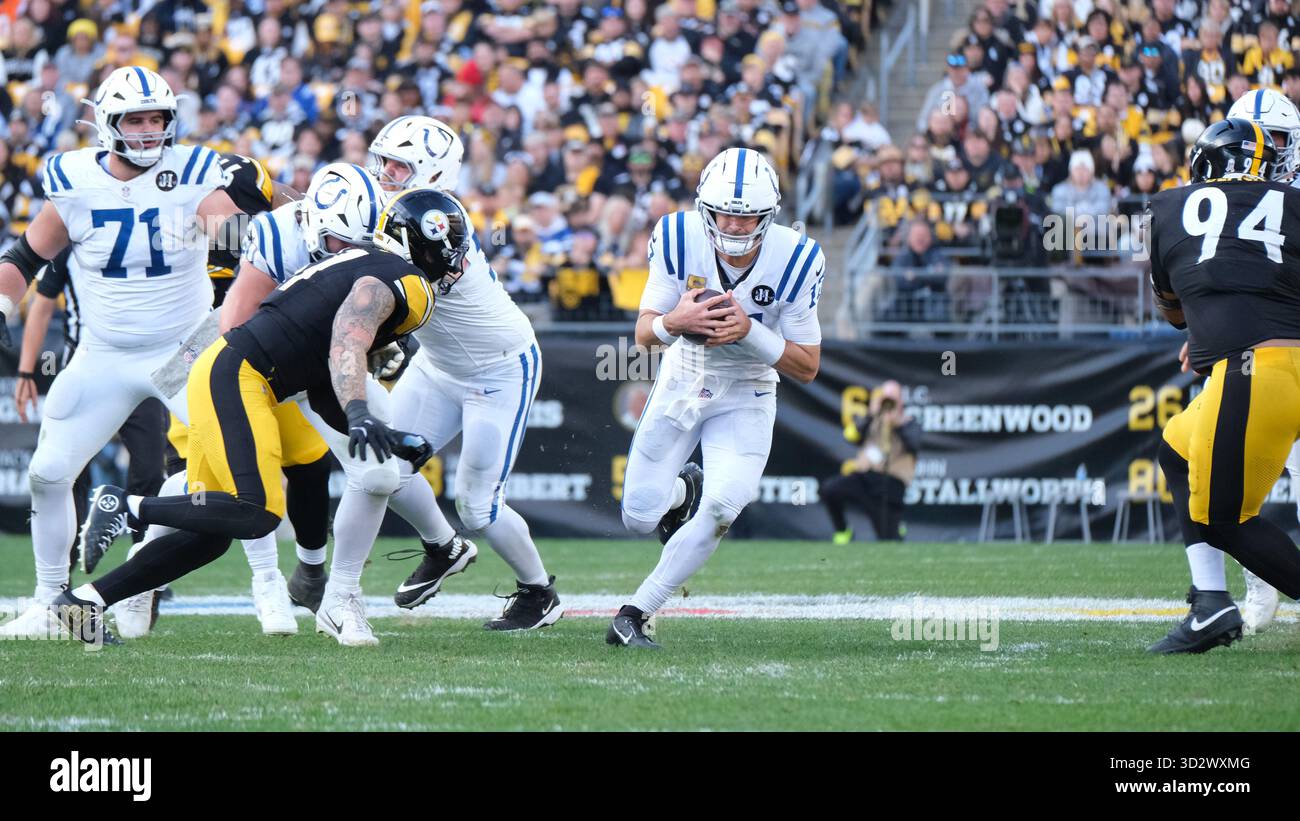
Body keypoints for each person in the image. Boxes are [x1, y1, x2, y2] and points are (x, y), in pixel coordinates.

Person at [61, 189, 465, 647]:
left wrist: (378, 431)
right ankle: (123, 504)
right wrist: (358, 409)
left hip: (228, 370)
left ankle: (83, 603)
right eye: (452, 253)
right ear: (426, 245)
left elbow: (320, 369)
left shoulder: (361, 262)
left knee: (210, 536)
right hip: (240, 376)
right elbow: (348, 337)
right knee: (258, 510)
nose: (457, 265)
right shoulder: (405, 281)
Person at [0, 67, 248, 639]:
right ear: (107, 124)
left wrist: (236, 228)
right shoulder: (75, 179)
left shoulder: (192, 171)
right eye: (134, 120)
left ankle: (161, 584)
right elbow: (24, 258)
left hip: (186, 349)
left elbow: (235, 239)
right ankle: (48, 603)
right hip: (104, 354)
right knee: (47, 471)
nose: (146, 131)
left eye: (156, 119)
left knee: (238, 476)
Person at [608, 147, 824, 649]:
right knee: (638, 517)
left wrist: (749, 331)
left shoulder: (797, 257)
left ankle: (636, 613)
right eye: (725, 211)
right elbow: (644, 335)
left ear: (768, 216)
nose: (734, 225)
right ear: (704, 207)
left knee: (726, 504)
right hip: (685, 376)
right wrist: (673, 323)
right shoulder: (677, 236)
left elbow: (807, 366)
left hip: (749, 387)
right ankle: (683, 490)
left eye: (747, 216)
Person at [1147, 118, 1300, 654]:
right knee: (1174, 449)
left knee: (1221, 518)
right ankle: (1210, 603)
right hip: (1273, 367)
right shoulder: (1292, 201)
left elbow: (1171, 313)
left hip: (1250, 368)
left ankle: (1221, 608)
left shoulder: (1170, 207)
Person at [822, 380, 920, 543]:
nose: (888, 403)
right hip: (865, 478)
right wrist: (870, 414)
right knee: (830, 490)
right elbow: (852, 437)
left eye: (892, 399)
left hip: (890, 485)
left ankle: (896, 528)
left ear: (900, 401)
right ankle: (843, 532)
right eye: (885, 397)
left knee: (888, 540)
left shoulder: (909, 422)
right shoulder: (873, 419)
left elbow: (914, 445)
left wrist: (897, 423)